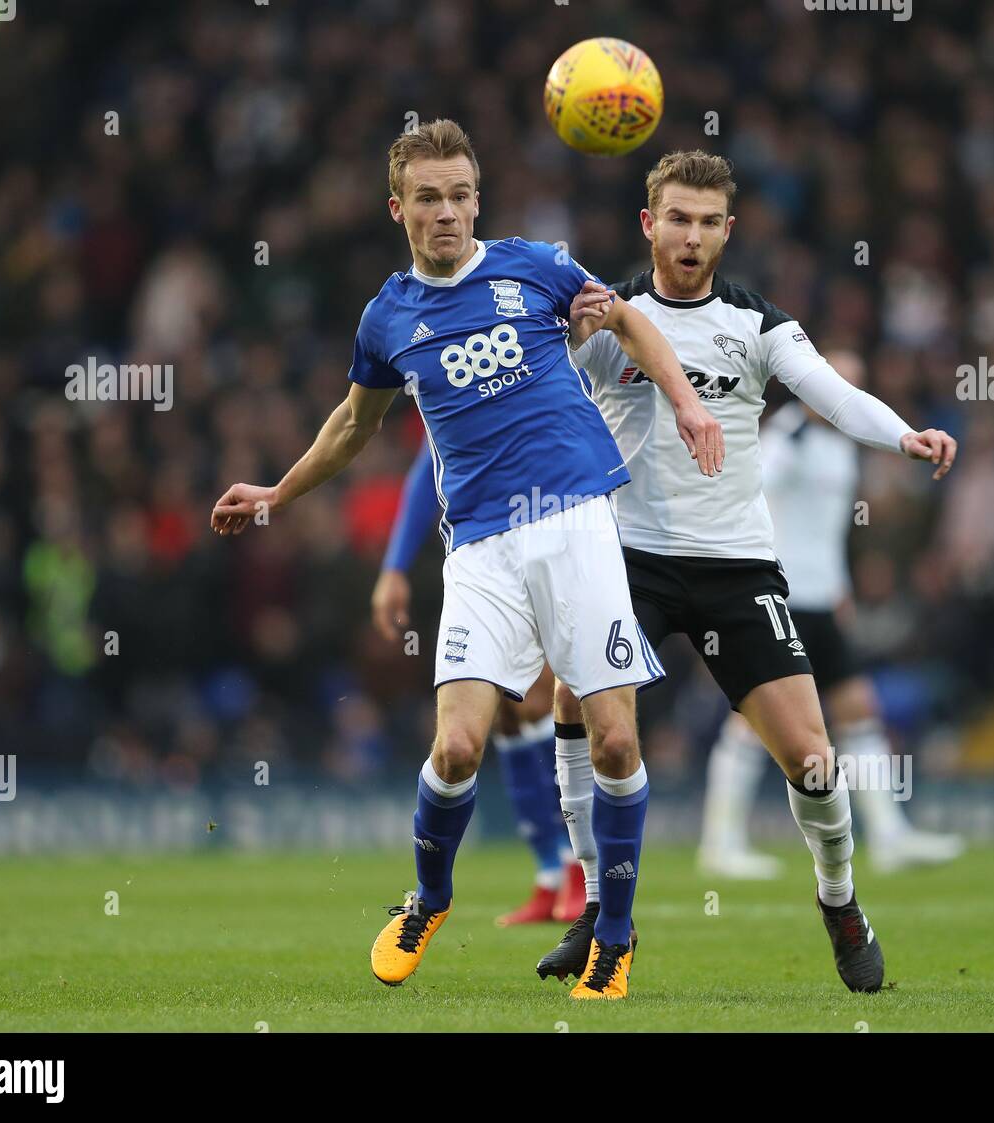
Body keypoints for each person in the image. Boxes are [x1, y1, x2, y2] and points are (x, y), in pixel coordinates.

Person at [210, 120, 723, 1000]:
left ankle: (614, 932)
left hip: (576, 522)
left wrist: (687, 405)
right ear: (397, 208)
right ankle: (430, 897)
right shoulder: (386, 319)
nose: (446, 213)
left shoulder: (535, 266)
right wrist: (274, 494)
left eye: (459, 196)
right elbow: (351, 427)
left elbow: (629, 321)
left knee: (614, 734)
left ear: (477, 201)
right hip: (481, 545)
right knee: (453, 748)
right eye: (428, 198)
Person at [537, 151, 956, 994]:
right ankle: (596, 904)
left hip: (737, 565)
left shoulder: (757, 323)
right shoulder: (604, 322)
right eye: (677, 219)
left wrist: (903, 433)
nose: (691, 237)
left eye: (707, 222)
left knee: (809, 755)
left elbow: (832, 392)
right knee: (586, 711)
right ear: (649, 225)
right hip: (630, 557)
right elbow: (538, 404)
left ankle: (839, 901)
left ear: (728, 230)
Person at [698, 350, 964, 880]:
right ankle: (720, 844)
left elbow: (829, 527)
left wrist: (841, 587)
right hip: (783, 598)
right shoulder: (787, 438)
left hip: (823, 599)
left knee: (859, 710)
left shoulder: (842, 445)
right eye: (838, 381)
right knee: (754, 724)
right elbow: (742, 491)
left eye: (855, 383)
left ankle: (889, 837)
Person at [371, 444, 585, 925]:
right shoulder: (448, 393)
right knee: (506, 718)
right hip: (477, 558)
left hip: (543, 543)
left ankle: (577, 871)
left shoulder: (544, 379)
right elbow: (427, 470)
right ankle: (550, 874)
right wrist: (396, 565)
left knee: (538, 703)